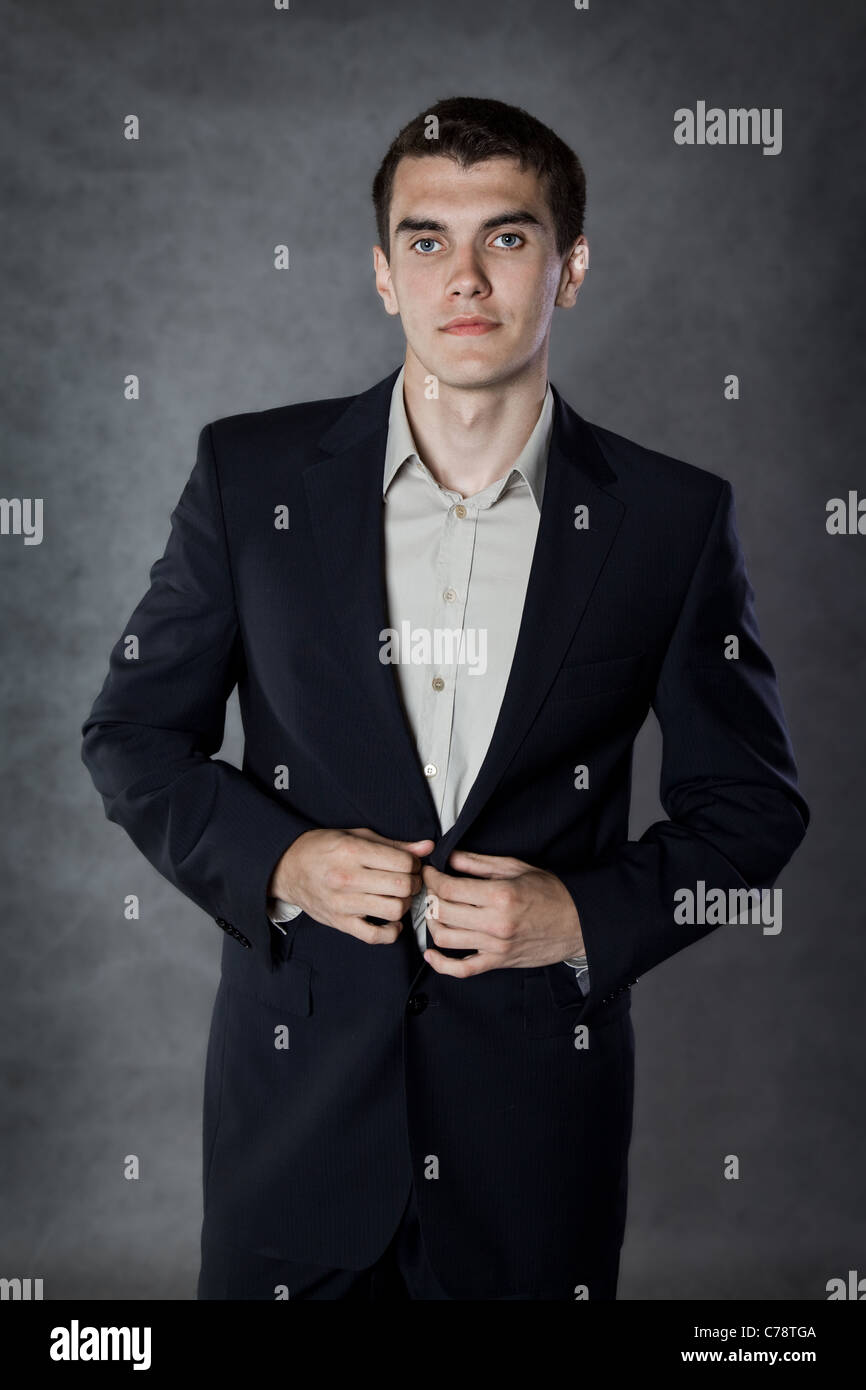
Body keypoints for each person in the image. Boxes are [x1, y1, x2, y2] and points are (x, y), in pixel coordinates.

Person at [81, 95, 809, 1300]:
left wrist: (578, 919)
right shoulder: (245, 474)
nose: (462, 277)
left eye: (506, 238)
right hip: (294, 1137)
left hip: (533, 1152)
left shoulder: (672, 521)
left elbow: (751, 808)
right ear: (382, 274)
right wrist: (285, 863)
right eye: (426, 241)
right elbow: (130, 735)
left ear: (569, 267)